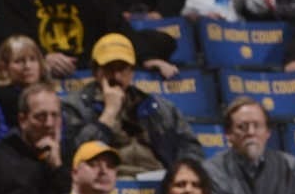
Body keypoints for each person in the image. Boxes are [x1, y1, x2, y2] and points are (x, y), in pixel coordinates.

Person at [62, 34, 203, 174]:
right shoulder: (74, 106)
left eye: (122, 68)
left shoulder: (157, 107)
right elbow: (73, 156)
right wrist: (109, 113)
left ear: (132, 71)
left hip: (158, 181)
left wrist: (179, 175)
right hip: (106, 184)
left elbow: (190, 147)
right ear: (95, 70)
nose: (116, 76)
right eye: (109, 68)